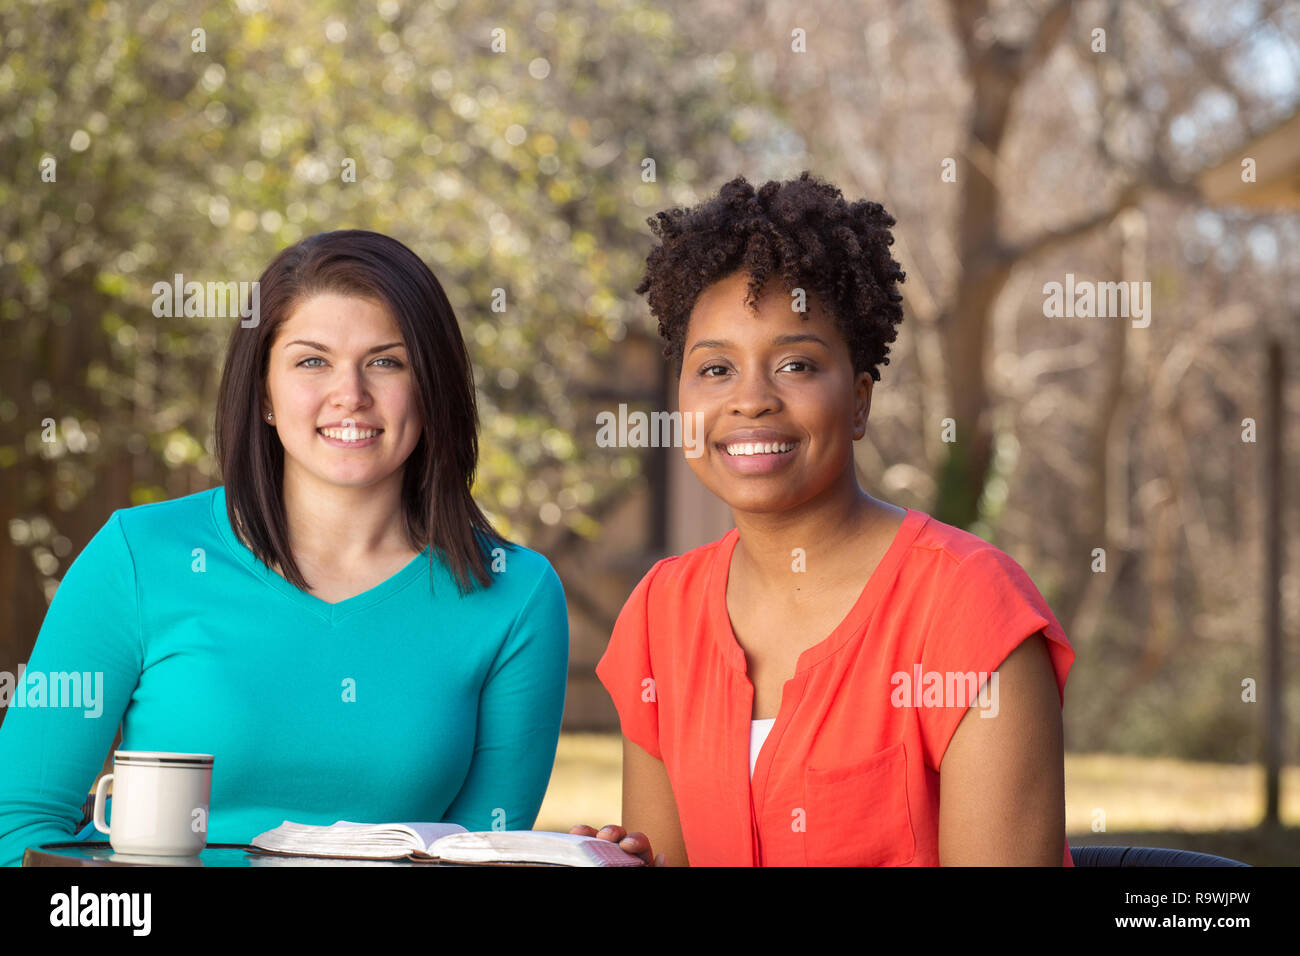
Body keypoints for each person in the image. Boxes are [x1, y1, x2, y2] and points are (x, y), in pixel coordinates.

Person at [0, 230, 569, 867]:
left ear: (432, 388)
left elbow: (482, 854)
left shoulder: (516, 594)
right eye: (311, 361)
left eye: (386, 361)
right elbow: (19, 826)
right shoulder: (136, 557)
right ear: (265, 392)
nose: (350, 394)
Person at [573, 172, 1075, 866]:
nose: (750, 400)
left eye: (796, 364)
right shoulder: (661, 613)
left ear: (861, 400)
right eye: (714, 370)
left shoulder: (970, 610)